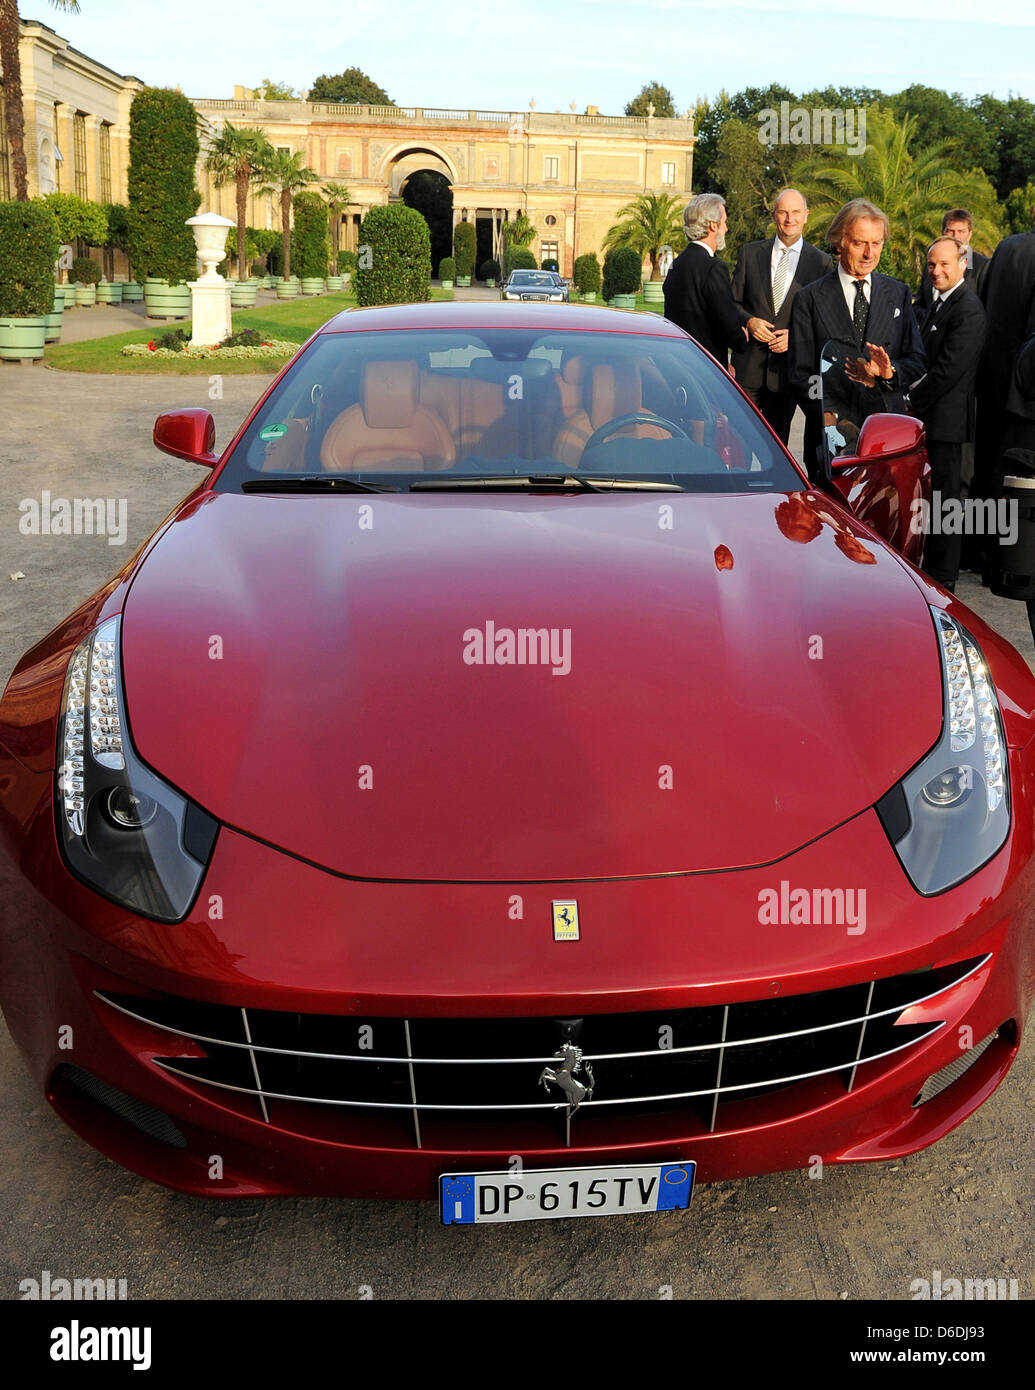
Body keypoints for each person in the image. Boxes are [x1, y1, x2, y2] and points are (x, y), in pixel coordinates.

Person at [789, 198, 925, 480]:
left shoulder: (898, 293)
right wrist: (832, 415)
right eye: (860, 243)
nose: (869, 254)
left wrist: (890, 373)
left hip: (886, 440)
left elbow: (916, 360)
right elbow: (800, 374)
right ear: (839, 242)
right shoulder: (809, 298)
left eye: (877, 243)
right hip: (831, 443)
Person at [903, 237, 987, 591]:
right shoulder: (936, 304)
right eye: (931, 265)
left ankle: (944, 578)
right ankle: (932, 572)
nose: (936, 271)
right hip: (930, 421)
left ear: (962, 264)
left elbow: (948, 370)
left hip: (948, 425)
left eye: (944, 264)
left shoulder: (968, 309)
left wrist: (910, 397)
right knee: (931, 500)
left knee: (946, 502)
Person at [730, 188, 832, 443]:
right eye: (783, 212)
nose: (789, 218)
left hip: (787, 373)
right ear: (774, 215)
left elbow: (823, 321)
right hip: (747, 367)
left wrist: (795, 338)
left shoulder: (821, 263)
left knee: (777, 445)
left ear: (806, 215)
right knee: (739, 441)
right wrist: (749, 321)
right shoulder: (750, 253)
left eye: (796, 212)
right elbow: (731, 303)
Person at [973, 206, 1035, 515]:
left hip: (990, 377)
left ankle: (977, 539)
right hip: (1024, 395)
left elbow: (983, 304)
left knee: (986, 469)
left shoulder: (1006, 247)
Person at [663, 193, 773, 367]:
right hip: (705, 364)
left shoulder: (676, 264)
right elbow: (726, 320)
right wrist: (741, 338)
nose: (726, 228)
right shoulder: (714, 267)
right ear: (713, 225)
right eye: (724, 222)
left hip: (676, 361)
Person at [915, 209, 990, 310]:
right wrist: (931, 318)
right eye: (950, 231)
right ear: (943, 233)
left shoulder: (983, 266)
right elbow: (919, 304)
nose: (956, 236)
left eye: (961, 231)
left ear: (970, 234)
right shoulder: (932, 264)